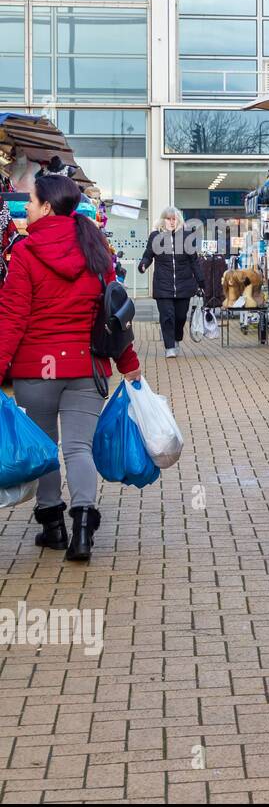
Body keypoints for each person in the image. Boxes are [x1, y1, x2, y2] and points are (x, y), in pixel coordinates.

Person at [0, 174, 142, 562]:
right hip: (87, 367)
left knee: (46, 449)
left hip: (36, 371)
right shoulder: (96, 252)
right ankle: (83, 527)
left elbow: (11, 319)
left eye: (29, 201)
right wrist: (128, 364)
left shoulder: (26, 254)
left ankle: (53, 527)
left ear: (47, 206)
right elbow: (115, 315)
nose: (25, 207)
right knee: (79, 448)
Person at [139, 206, 202, 358]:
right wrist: (143, 264)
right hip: (163, 283)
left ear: (178, 220)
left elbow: (194, 261)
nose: (172, 222)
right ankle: (169, 347)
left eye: (174, 219)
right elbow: (148, 255)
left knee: (180, 317)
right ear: (163, 220)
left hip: (184, 284)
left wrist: (201, 280)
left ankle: (176, 338)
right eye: (168, 219)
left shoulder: (187, 236)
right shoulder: (155, 236)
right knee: (167, 316)